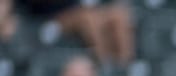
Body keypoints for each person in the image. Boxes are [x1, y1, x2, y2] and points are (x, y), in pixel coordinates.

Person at [1, 0, 135, 66]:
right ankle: (102, 64)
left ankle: (124, 68)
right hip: (44, 20)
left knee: (118, 15)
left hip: (76, 12)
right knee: (87, 19)